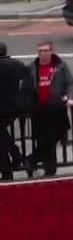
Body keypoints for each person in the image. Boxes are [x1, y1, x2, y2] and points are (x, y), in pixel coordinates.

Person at [27, 41, 73, 177]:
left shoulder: (60, 66)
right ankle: (49, 169)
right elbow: (28, 87)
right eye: (40, 51)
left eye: (45, 50)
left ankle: (32, 160)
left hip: (56, 109)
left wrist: (70, 97)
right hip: (39, 110)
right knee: (45, 140)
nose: (42, 53)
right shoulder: (32, 67)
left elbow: (70, 82)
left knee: (54, 137)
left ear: (51, 51)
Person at [0, 42, 27, 180]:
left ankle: (11, 163)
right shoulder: (16, 64)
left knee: (2, 137)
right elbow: (27, 78)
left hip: (2, 108)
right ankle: (13, 160)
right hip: (15, 107)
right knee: (2, 137)